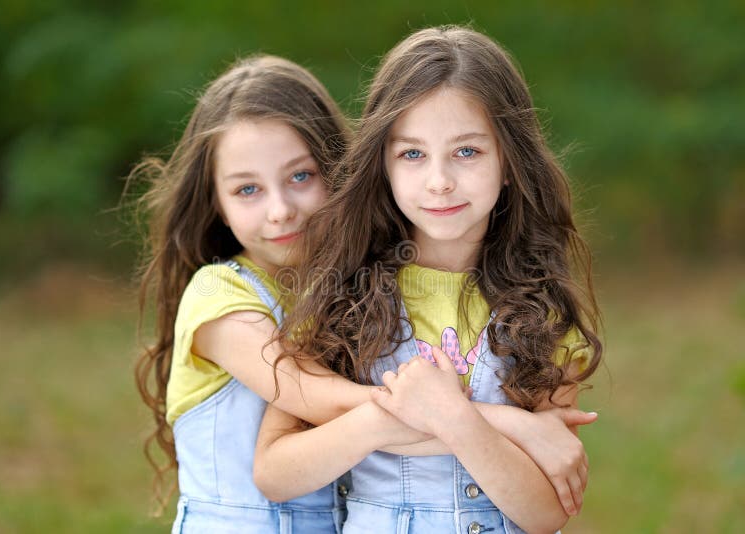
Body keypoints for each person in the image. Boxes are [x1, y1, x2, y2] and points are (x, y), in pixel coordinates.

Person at [264, 26, 603, 534]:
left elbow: (546, 513)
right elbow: (274, 473)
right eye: (413, 154)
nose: (439, 180)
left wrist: (457, 418)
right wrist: (393, 415)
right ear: (383, 164)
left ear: (509, 161)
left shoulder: (543, 311)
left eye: (466, 151)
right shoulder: (344, 295)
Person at [132, 54, 365, 533]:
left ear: (336, 169)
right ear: (215, 201)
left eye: (301, 176)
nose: (280, 210)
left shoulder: (353, 288)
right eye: (247, 190)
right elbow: (307, 392)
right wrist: (462, 418)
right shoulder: (216, 296)